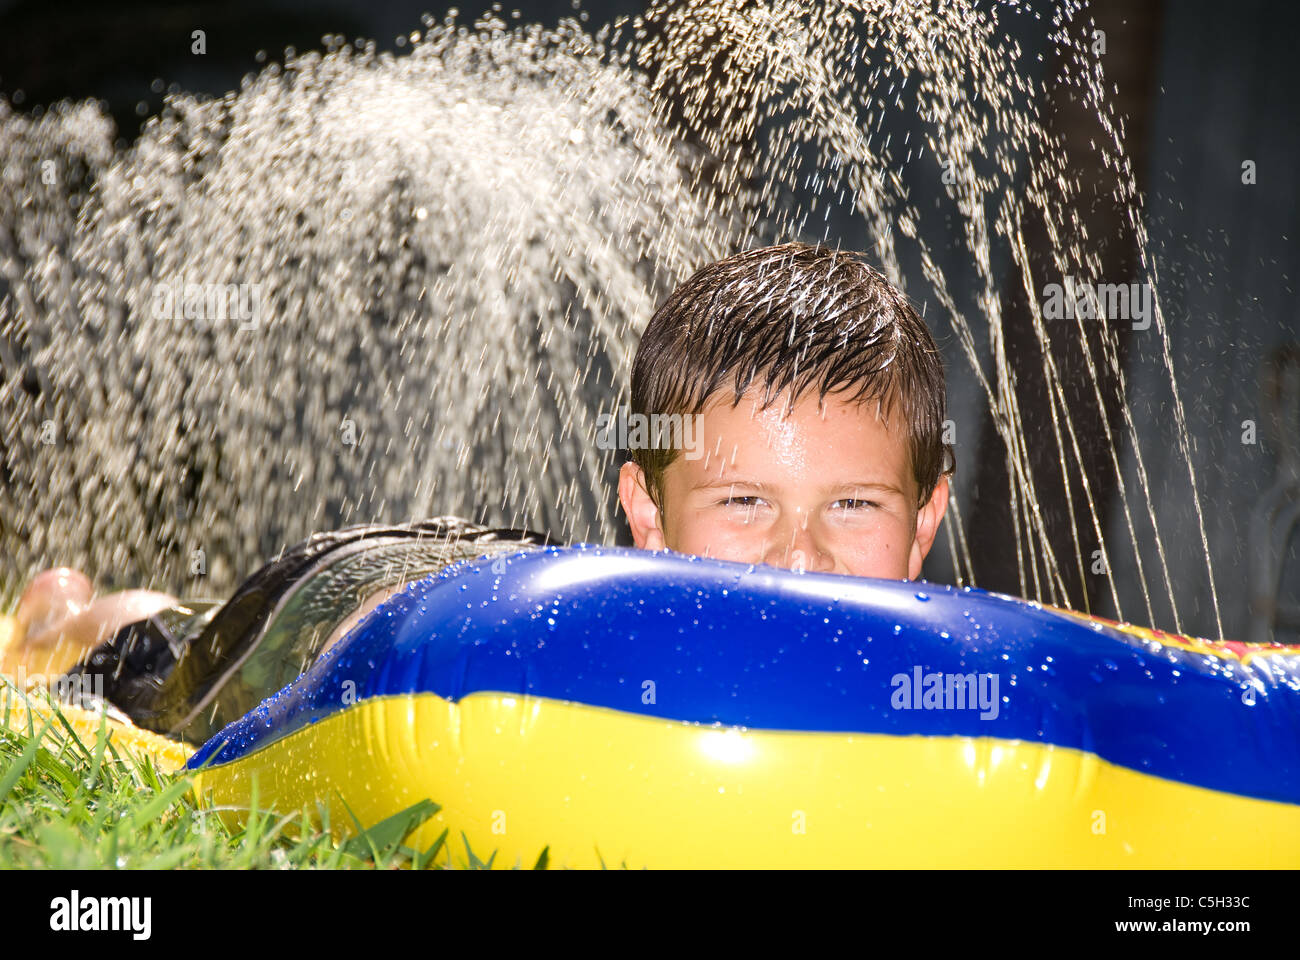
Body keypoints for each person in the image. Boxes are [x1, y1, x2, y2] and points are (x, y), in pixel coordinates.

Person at [3, 241, 953, 740]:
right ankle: (63, 612)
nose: (801, 555)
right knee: (162, 671)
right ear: (649, 515)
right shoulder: (597, 659)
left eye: (854, 505)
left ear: (924, 521)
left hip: (497, 561)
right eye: (745, 502)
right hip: (330, 609)